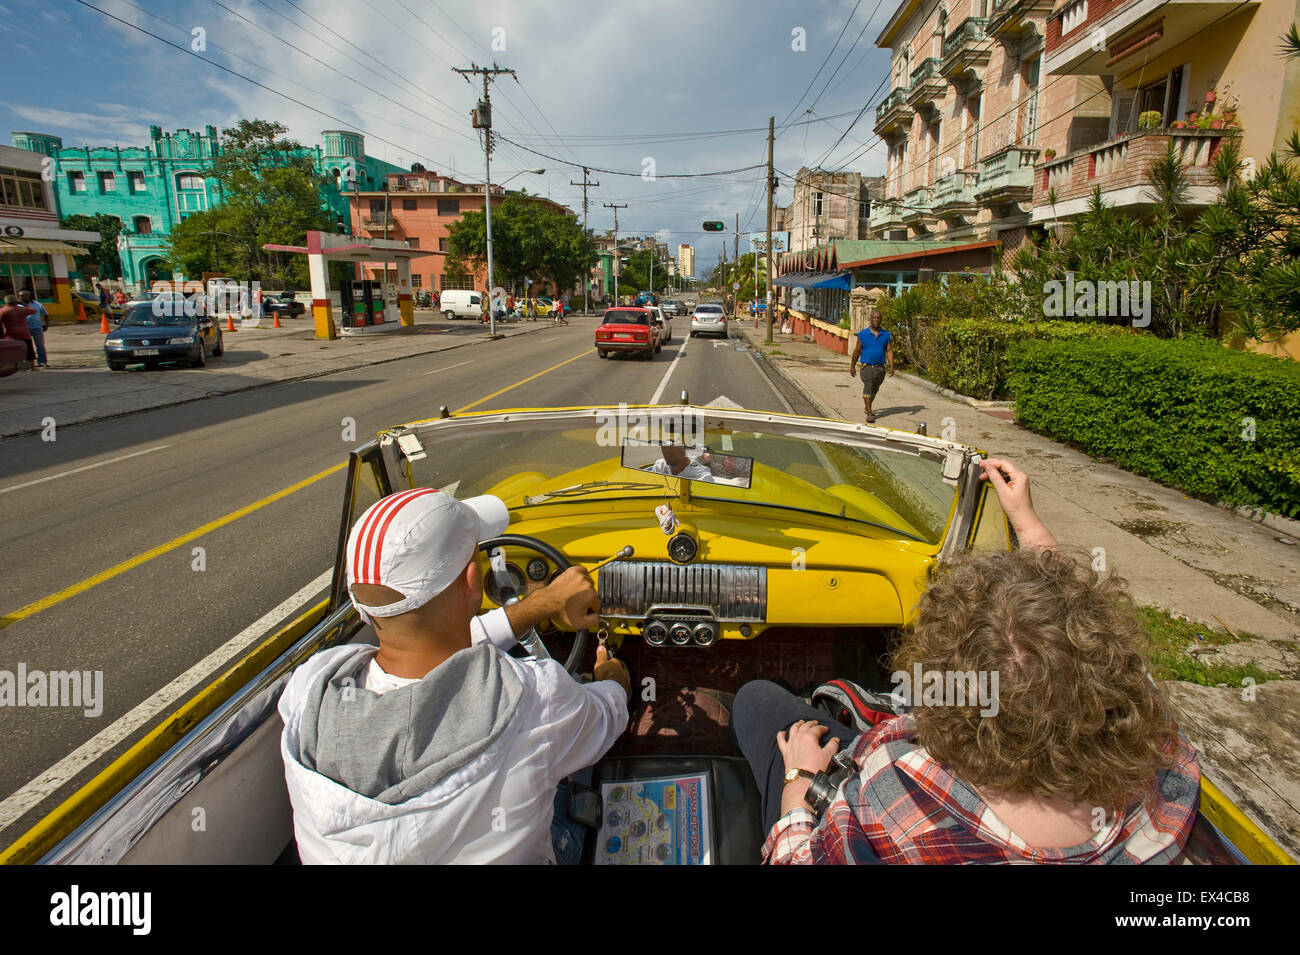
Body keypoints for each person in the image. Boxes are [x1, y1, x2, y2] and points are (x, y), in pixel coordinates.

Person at [734, 459, 1201, 865]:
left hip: (848, 771)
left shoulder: (890, 791)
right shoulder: (1160, 762)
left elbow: (794, 857)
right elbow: (1077, 641)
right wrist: (1028, 524)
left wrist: (801, 780)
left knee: (756, 702)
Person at [279, 488, 631, 864]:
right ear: (473, 581)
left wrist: (538, 606)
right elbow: (608, 717)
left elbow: (435, 652)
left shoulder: (312, 686)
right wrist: (613, 679)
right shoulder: (535, 697)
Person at [849, 308, 894, 424]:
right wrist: (852, 366)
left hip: (880, 368)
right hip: (867, 367)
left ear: (881, 320)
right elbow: (857, 351)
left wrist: (892, 366)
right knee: (868, 387)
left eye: (878, 318)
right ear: (870, 319)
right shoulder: (863, 334)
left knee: (875, 389)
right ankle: (869, 413)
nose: (876, 320)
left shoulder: (886, 335)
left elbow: (889, 350)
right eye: (874, 318)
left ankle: (867, 405)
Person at [0, 293, 36, 369]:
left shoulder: (3, 311)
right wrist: (24, 304)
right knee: (29, 350)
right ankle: (32, 366)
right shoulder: (22, 310)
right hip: (24, 334)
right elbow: (33, 310)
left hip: (10, 335)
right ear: (16, 302)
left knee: (14, 351)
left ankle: (16, 367)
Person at [17, 290, 49, 367]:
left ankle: (42, 362)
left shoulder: (37, 304)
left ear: (28, 296)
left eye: (23, 295)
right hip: (24, 329)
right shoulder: (18, 306)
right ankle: (28, 363)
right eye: (20, 296)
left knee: (40, 346)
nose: (21, 297)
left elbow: (45, 314)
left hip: (37, 328)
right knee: (26, 347)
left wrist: (46, 325)